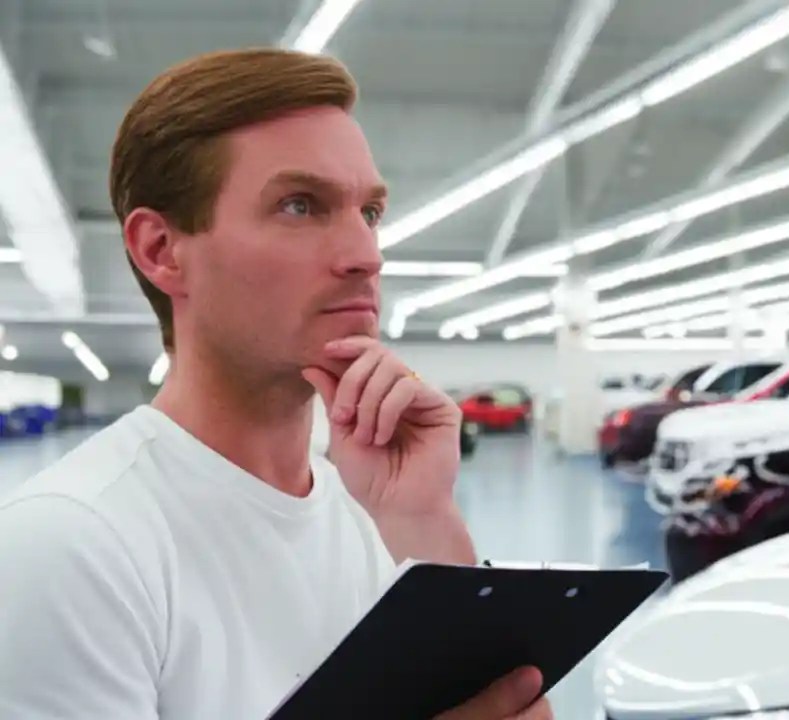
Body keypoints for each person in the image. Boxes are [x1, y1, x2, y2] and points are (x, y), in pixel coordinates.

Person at [0, 49, 552, 720]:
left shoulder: (378, 513)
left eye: (370, 213)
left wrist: (424, 521)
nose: (365, 255)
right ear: (160, 250)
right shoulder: (73, 543)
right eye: (300, 205)